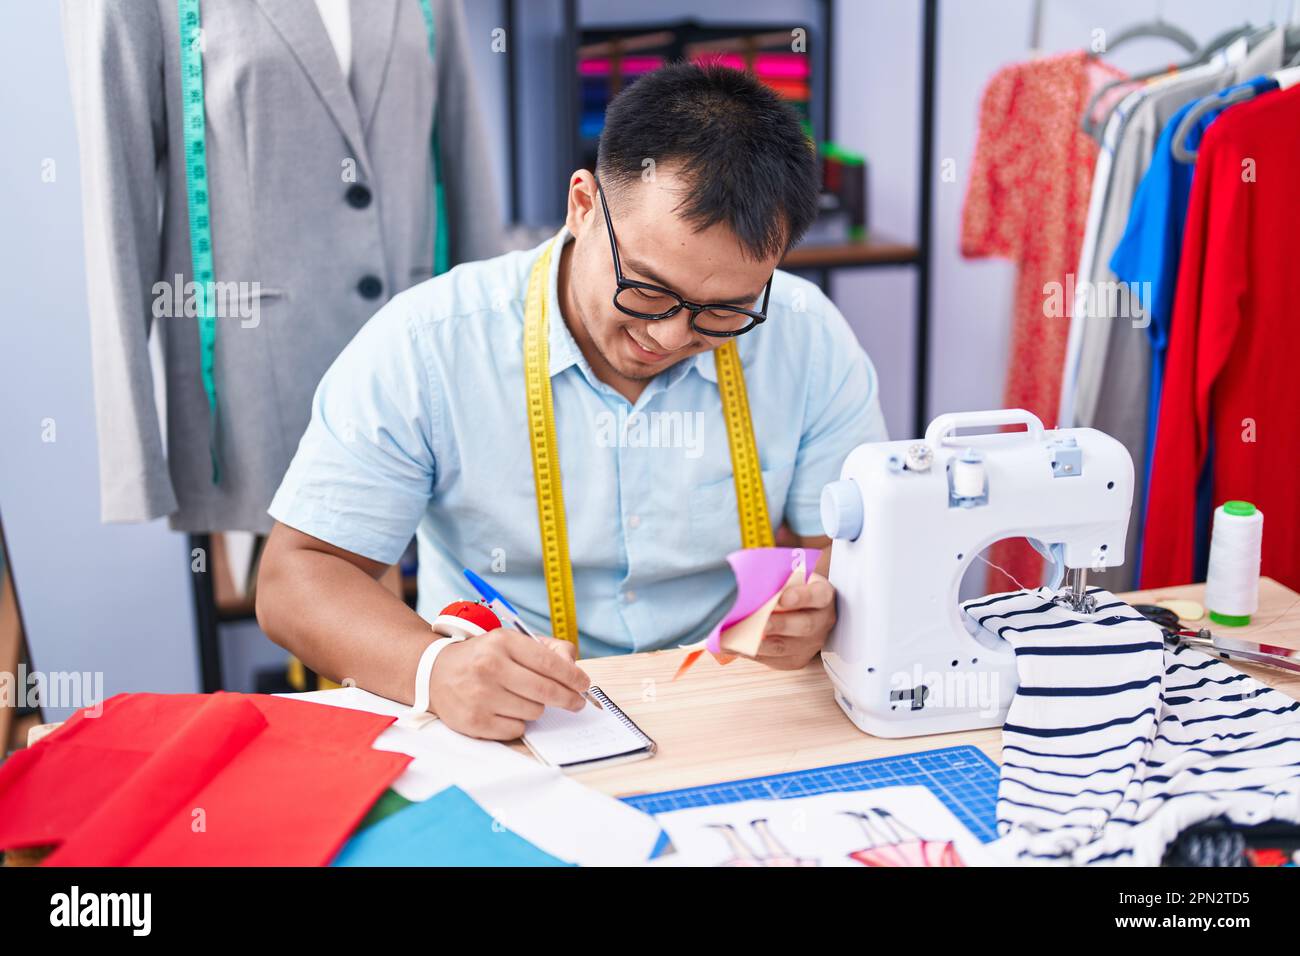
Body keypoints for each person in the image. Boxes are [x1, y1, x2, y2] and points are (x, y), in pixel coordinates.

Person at [257, 63, 888, 740]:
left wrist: (824, 613)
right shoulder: (427, 344)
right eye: (646, 288)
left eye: (724, 311)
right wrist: (436, 669)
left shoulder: (808, 336)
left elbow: (850, 549)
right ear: (582, 206)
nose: (670, 334)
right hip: (505, 719)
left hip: (729, 706)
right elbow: (298, 576)